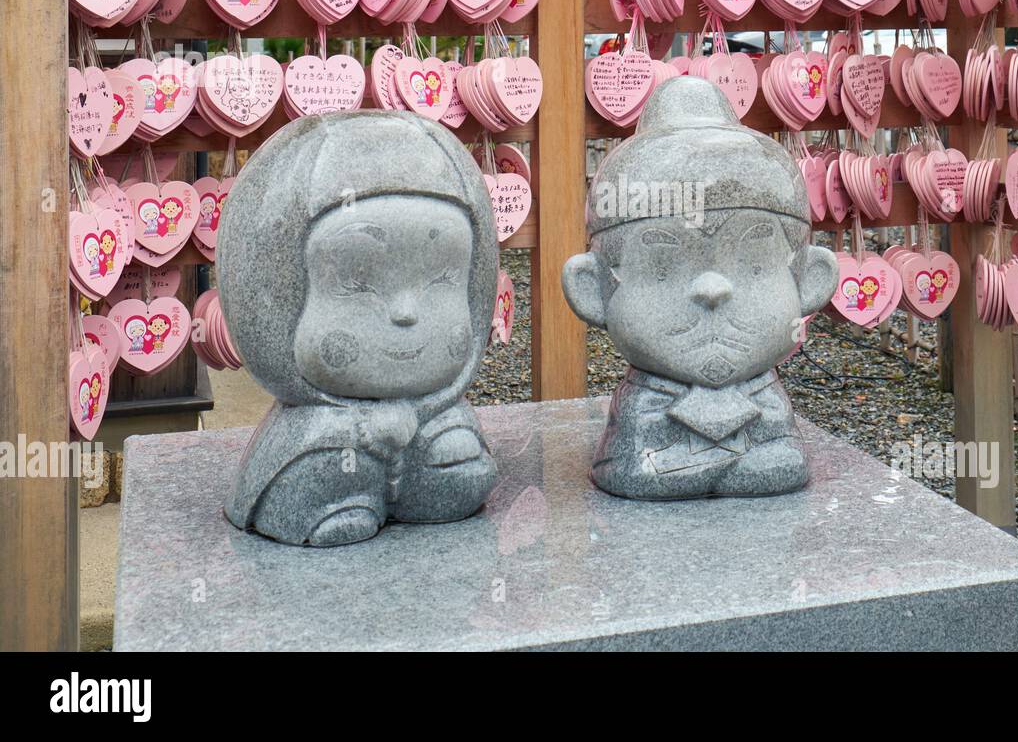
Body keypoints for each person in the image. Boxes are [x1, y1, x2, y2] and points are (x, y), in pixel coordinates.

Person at [221, 112, 500, 546]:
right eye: (358, 283)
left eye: (442, 280)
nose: (406, 312)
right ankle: (335, 504)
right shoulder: (303, 417)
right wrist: (362, 430)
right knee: (322, 465)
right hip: (324, 434)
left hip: (433, 424)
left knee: (457, 460)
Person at [562, 77, 836, 500]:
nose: (713, 289)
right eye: (662, 267)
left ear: (809, 281)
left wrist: (685, 465)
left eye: (754, 264)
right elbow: (629, 469)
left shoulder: (768, 398)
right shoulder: (644, 406)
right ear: (592, 290)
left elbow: (784, 462)